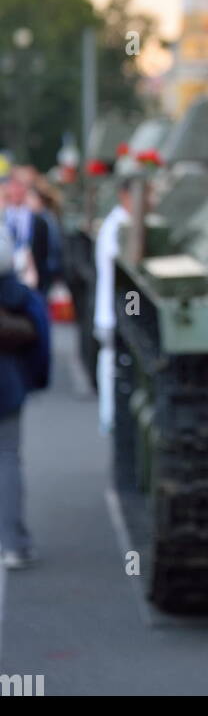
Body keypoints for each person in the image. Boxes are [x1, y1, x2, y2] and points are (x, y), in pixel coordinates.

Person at [0, 223, 51, 570]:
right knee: (7, 459)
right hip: (6, 385)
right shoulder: (16, 295)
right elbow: (40, 337)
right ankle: (13, 543)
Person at [93, 176, 146, 434]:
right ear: (127, 196)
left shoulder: (117, 224)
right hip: (114, 314)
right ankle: (111, 417)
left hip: (114, 312)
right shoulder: (119, 227)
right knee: (114, 368)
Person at [3, 167, 52, 294]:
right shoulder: (3, 217)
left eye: (21, 186)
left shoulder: (39, 220)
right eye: (13, 185)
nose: (16, 190)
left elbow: (45, 257)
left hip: (31, 283)